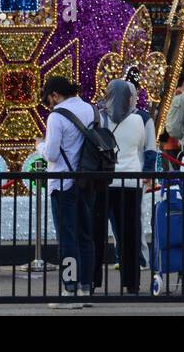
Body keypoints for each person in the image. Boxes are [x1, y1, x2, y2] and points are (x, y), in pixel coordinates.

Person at [42, 75, 97, 296]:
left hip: (63, 182)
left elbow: (52, 153)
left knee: (67, 237)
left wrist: (40, 147)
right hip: (88, 181)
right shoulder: (91, 110)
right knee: (86, 235)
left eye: (48, 100)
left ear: (55, 95)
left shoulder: (56, 117)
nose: (48, 105)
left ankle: (70, 285)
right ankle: (86, 285)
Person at [104, 79, 155, 294]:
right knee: (131, 228)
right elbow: (147, 145)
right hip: (132, 177)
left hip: (110, 178)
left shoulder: (102, 116)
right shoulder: (139, 119)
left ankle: (95, 279)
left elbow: (150, 147)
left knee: (118, 227)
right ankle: (132, 278)